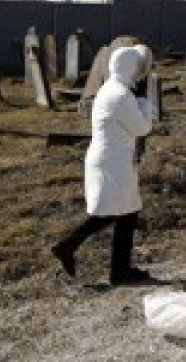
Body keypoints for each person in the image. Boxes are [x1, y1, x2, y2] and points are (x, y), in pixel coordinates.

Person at [52, 45, 156, 286]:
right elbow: (142, 128)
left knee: (126, 213)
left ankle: (120, 272)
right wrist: (143, 100)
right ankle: (68, 246)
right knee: (111, 213)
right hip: (113, 160)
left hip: (112, 158)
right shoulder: (120, 94)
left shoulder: (110, 88)